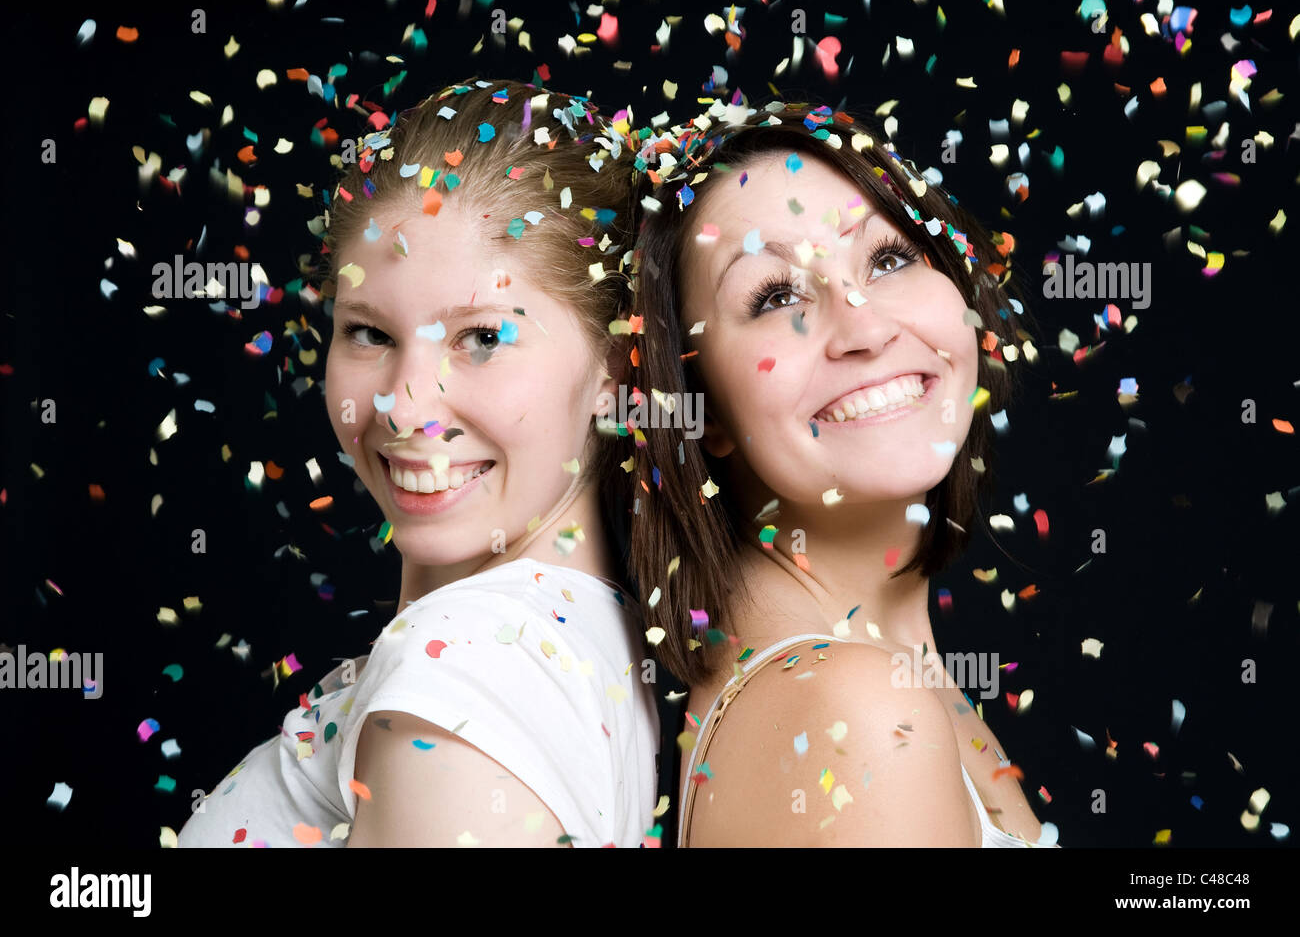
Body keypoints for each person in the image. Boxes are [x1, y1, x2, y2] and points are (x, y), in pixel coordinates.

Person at [178, 78, 659, 848]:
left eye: (483, 338)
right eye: (369, 333)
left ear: (616, 366)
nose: (403, 407)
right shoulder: (582, 647)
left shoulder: (468, 669)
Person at [621, 95, 1058, 847]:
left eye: (887, 258)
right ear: (701, 407)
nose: (865, 324)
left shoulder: (884, 674)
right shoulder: (851, 712)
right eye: (775, 296)